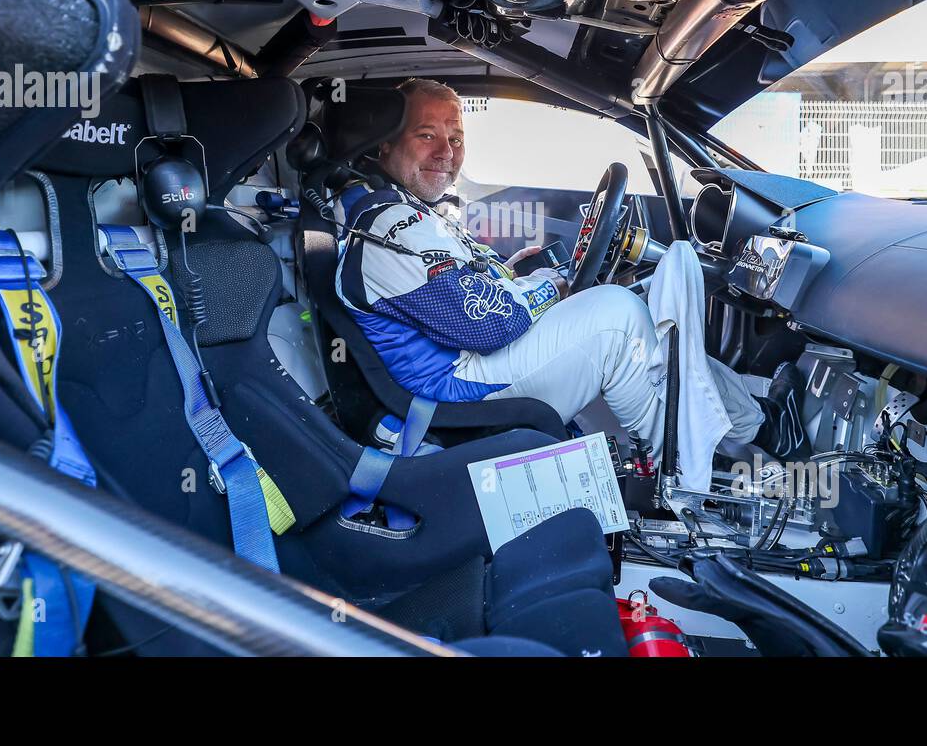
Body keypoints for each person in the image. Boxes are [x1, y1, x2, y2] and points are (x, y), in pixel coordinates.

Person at [333, 78, 805, 475]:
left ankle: (761, 426)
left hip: (470, 357)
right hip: (454, 384)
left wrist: (515, 274)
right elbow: (488, 323)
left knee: (651, 323)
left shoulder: (411, 212)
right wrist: (551, 286)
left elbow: (461, 288)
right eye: (426, 135)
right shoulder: (388, 225)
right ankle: (680, 474)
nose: (445, 152)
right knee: (617, 318)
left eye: (455, 139)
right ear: (385, 143)